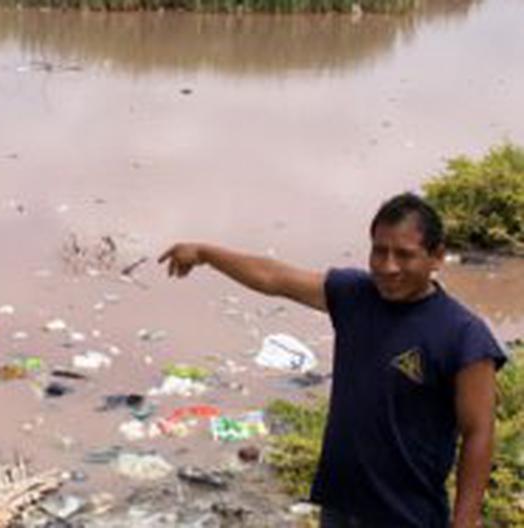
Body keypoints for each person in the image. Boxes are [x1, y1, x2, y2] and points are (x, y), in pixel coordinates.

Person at [158, 193, 506, 528]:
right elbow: (274, 277)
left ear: (437, 257)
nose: (388, 267)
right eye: (379, 251)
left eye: (405, 254)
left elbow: (479, 432)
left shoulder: (462, 335)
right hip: (340, 502)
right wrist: (205, 253)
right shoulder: (355, 295)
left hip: (407, 514)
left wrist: (466, 520)